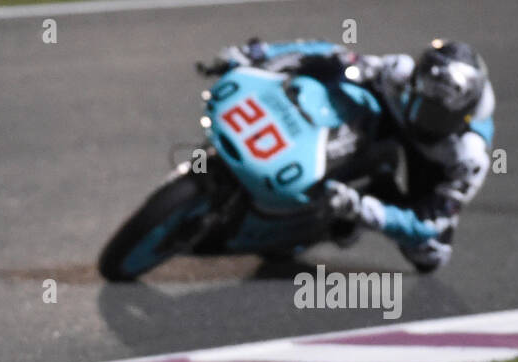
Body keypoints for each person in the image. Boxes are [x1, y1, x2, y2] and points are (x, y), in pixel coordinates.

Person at [209, 37, 494, 271]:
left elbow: (426, 225)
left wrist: (361, 209)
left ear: (464, 117)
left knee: (429, 253)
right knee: (338, 83)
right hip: (389, 120)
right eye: (419, 101)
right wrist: (256, 53)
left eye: (435, 115)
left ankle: (355, 208)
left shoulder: (468, 159)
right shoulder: (398, 72)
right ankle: (309, 165)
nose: (421, 118)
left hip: (429, 161)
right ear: (414, 83)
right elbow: (331, 53)